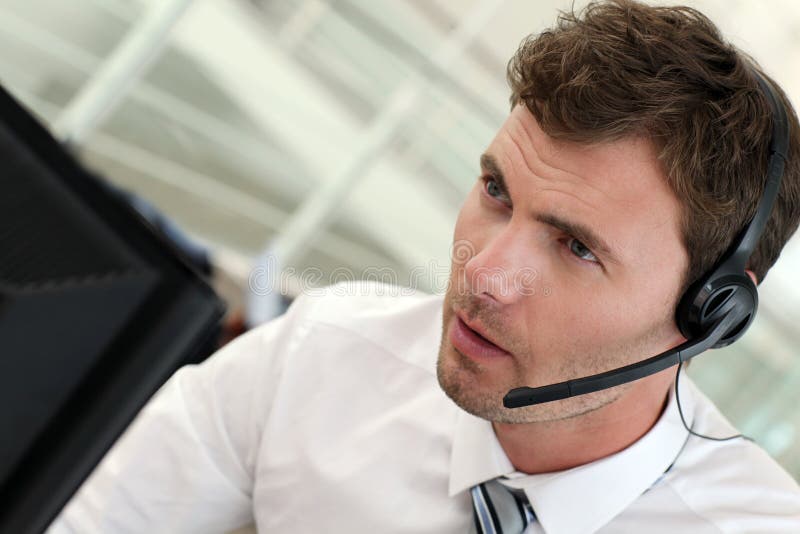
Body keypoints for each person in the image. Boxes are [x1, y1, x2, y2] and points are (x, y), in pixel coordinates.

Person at [49, 1, 800, 532]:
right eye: (497, 191)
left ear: (714, 312)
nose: (484, 275)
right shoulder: (325, 356)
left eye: (575, 247)